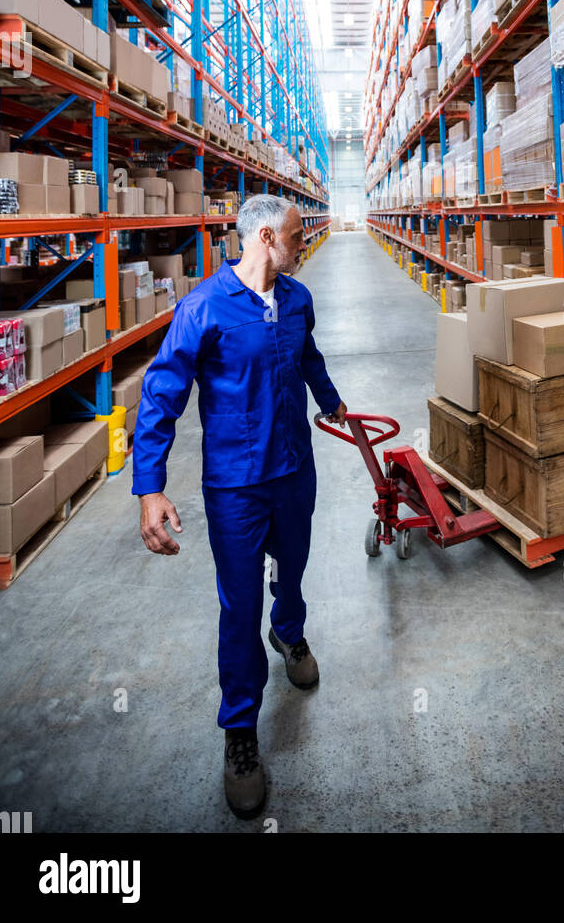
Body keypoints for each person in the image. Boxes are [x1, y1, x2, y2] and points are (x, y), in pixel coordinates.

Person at [131, 194, 346, 817]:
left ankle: (291, 634)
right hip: (234, 484)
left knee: (295, 567)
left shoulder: (298, 299)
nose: (303, 242)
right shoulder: (204, 308)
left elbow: (308, 358)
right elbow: (161, 396)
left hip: (294, 469)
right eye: (296, 235)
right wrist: (150, 486)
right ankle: (240, 731)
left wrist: (332, 403)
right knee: (239, 603)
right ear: (263, 239)